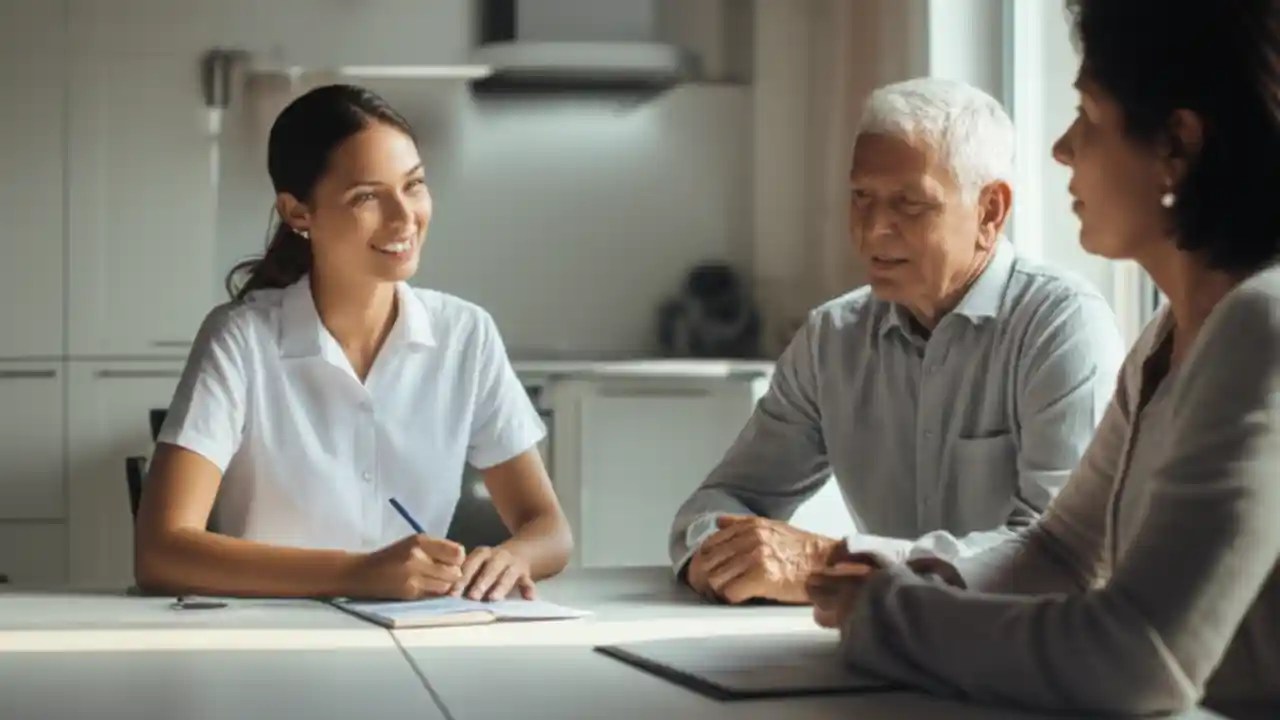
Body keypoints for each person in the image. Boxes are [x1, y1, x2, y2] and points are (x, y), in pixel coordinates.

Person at [808, 1, 1280, 715]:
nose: (1062, 148)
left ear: (1176, 146)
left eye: (1087, 116)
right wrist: (912, 575)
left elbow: (1138, 656)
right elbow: (1063, 550)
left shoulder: (1261, 323)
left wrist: (887, 614)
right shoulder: (1166, 336)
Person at [669, 78, 1125, 605]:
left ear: (990, 211)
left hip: (1021, 649)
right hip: (883, 641)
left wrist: (834, 564)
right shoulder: (831, 339)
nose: (872, 230)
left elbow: (1062, 559)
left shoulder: (1063, 326)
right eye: (861, 197)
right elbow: (718, 503)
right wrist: (718, 554)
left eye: (910, 204)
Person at [134, 85, 573, 601]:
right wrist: (356, 574)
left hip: (418, 630)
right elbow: (160, 551)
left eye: (413, 185)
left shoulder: (465, 334)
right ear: (298, 213)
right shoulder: (241, 339)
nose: (404, 217)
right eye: (367, 196)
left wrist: (512, 556)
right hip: (271, 634)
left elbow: (549, 529)